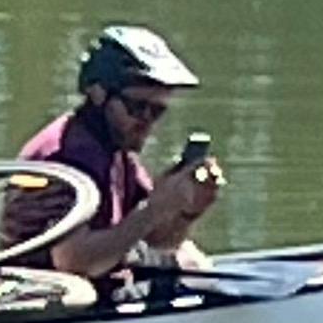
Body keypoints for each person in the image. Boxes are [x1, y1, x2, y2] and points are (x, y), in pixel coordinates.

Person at [15, 24, 226, 283]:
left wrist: (186, 208)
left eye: (157, 111)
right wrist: (154, 209)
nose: (147, 121)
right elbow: (73, 261)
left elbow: (157, 240)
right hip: (50, 306)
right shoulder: (65, 157)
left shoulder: (118, 151)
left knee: (188, 259)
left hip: (100, 295)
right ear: (97, 93)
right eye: (138, 107)